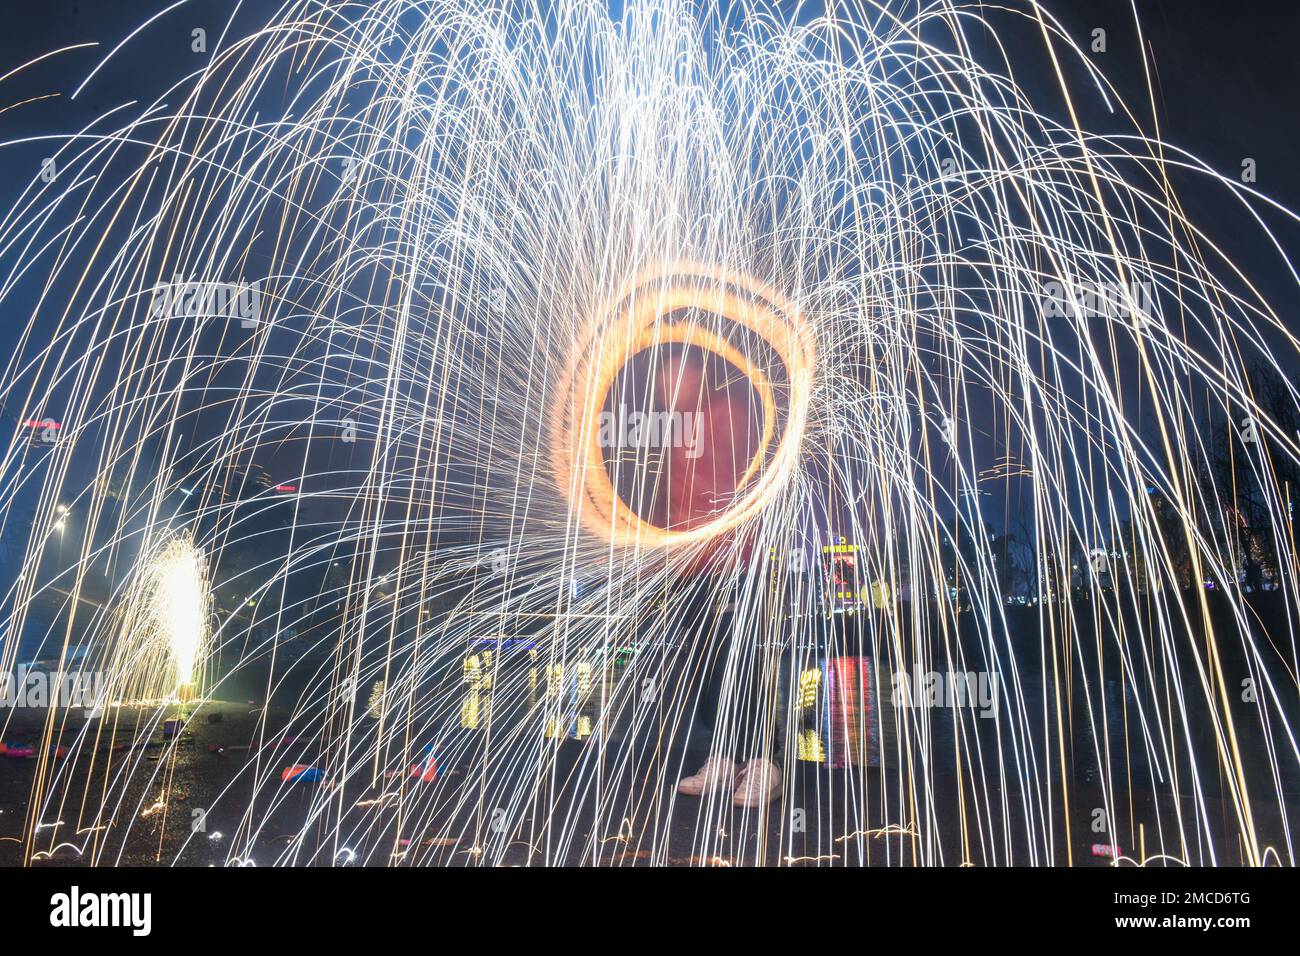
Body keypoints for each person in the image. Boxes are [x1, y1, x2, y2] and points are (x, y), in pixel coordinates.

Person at [652, 346, 782, 807]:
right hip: (693, 569)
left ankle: (765, 764)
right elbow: (679, 504)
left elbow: (751, 487)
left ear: (696, 375)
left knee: (739, 664)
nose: (665, 390)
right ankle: (725, 760)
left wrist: (732, 549)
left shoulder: (730, 412)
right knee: (706, 666)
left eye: (673, 378)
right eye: (662, 383)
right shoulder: (678, 430)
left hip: (734, 564)